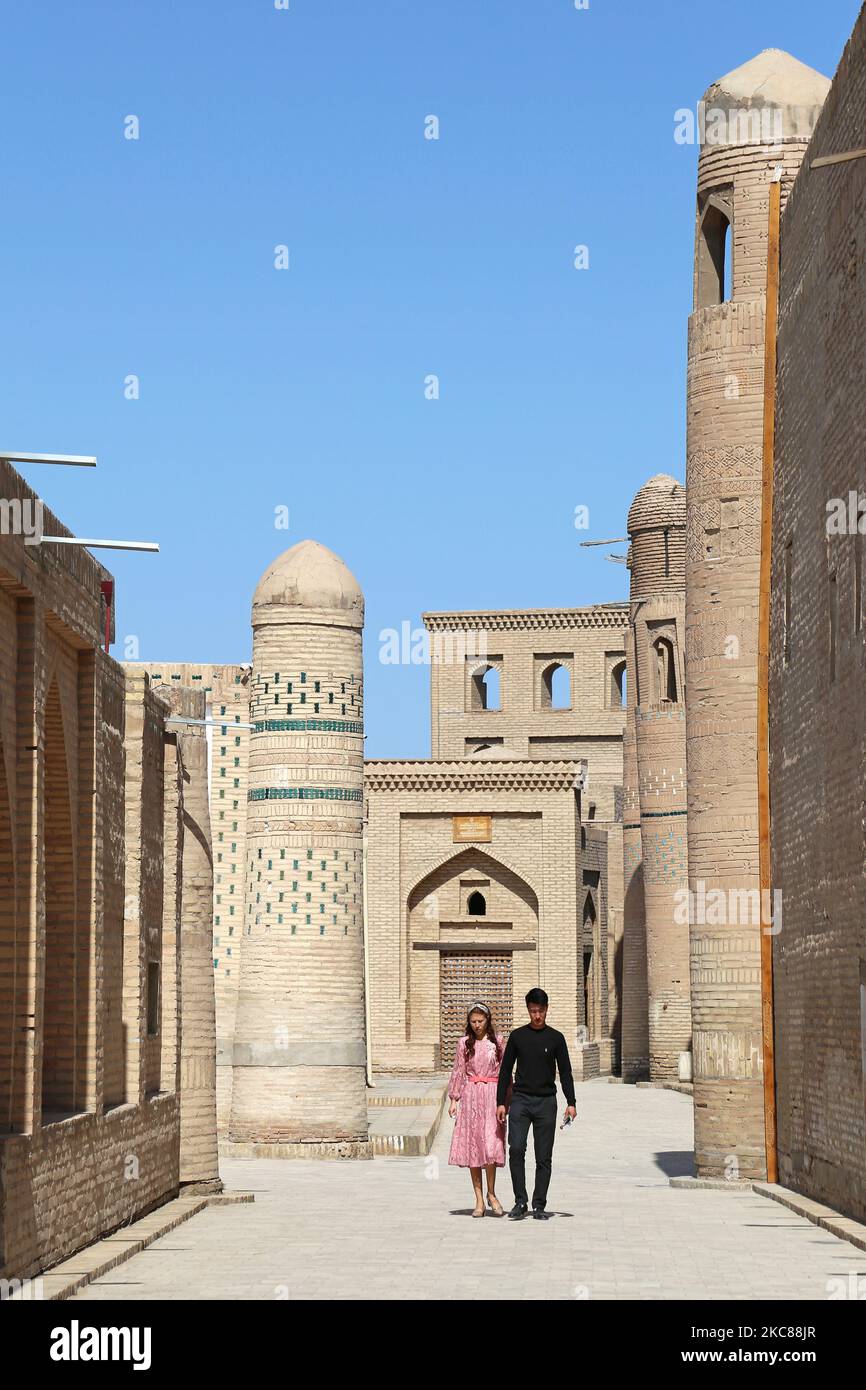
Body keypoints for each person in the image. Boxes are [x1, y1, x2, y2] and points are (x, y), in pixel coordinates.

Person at [496, 988, 576, 1220]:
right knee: (516, 1148)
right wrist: (501, 1102)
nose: (537, 1016)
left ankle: (539, 1205)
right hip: (521, 1100)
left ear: (547, 1009)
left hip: (546, 1103)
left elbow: (566, 1072)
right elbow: (505, 1071)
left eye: (540, 1011)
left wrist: (571, 1102)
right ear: (528, 1010)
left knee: (543, 1156)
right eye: (533, 1011)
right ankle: (520, 1202)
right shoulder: (518, 1036)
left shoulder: (556, 1038)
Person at [447, 1002, 508, 1217]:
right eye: (473, 1021)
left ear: (487, 1020)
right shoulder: (464, 1043)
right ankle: (479, 1200)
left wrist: (505, 1100)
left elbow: (505, 1072)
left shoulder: (498, 1042)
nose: (477, 1025)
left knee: (491, 1146)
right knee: (474, 1147)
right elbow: (458, 1070)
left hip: (492, 1095)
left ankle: (492, 1193)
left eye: (480, 1021)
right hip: (471, 1096)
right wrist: (454, 1099)